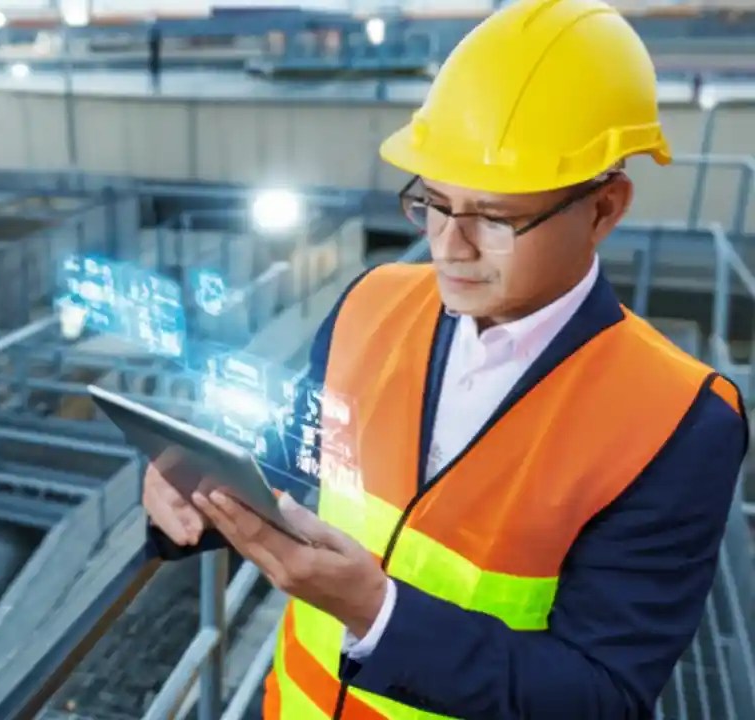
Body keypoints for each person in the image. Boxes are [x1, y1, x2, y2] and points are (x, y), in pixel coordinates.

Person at [141, 0, 750, 717]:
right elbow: (286, 460)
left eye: (494, 217)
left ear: (605, 208)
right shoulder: (371, 303)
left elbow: (603, 697)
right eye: (434, 202)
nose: (449, 247)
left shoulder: (677, 421)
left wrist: (378, 613)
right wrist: (195, 496)